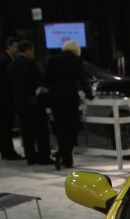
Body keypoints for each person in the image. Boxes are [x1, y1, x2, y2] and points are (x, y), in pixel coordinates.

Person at [44, 39, 91, 169]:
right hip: (69, 97)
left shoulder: (52, 59)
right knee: (73, 127)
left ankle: (66, 159)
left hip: (54, 98)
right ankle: (62, 154)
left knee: (60, 128)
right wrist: (90, 95)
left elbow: (46, 79)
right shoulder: (76, 60)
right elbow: (82, 80)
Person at [9, 40, 51, 165]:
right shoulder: (30, 64)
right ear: (27, 50)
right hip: (34, 103)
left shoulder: (12, 65)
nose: (33, 53)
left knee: (26, 133)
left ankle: (30, 156)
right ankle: (44, 157)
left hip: (20, 104)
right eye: (32, 50)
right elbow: (38, 81)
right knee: (41, 131)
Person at [0, 36, 23, 160]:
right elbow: (7, 81)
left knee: (5, 126)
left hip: (3, 98)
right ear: (9, 46)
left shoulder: (5, 59)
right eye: (16, 46)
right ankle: (7, 151)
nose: (18, 49)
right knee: (5, 127)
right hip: (4, 99)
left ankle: (6, 151)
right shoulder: (5, 61)